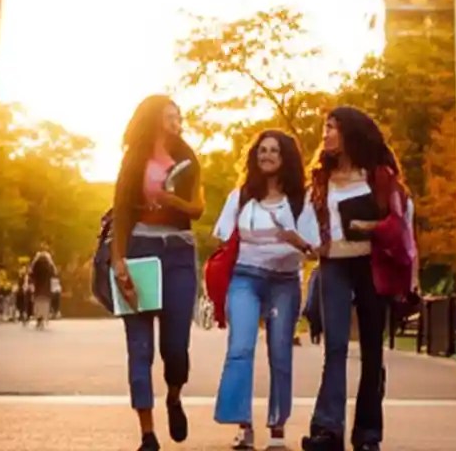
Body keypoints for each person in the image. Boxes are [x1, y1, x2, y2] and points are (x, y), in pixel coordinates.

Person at [297, 107, 417, 451]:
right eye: (325, 128)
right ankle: (327, 430)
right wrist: (305, 243)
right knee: (334, 347)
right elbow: (310, 231)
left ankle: (368, 434)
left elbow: (402, 223)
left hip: (371, 266)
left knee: (372, 351)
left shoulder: (378, 177)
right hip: (333, 265)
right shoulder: (320, 181)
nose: (325, 134)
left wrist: (372, 229)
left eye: (331, 128)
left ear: (349, 133)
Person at [110, 95, 205, 451]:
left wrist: (173, 202)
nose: (177, 121)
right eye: (170, 116)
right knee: (139, 348)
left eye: (179, 115)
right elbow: (121, 212)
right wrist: (119, 263)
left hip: (179, 253)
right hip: (139, 252)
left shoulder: (188, 158)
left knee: (175, 347)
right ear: (153, 119)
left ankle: (174, 396)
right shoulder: (133, 160)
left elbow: (197, 209)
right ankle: (147, 434)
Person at [212, 130, 315, 450]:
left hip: (284, 282)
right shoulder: (240, 197)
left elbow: (313, 248)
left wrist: (294, 240)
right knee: (240, 346)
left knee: (280, 353)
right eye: (262, 151)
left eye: (274, 151)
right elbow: (223, 238)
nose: (267, 156)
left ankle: (278, 427)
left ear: (286, 158)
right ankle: (243, 425)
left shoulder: (303, 200)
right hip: (245, 278)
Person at [29, 244, 57, 329]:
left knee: (38, 303)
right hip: (46, 287)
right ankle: (44, 318)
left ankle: (38, 319)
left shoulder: (36, 263)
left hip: (38, 286)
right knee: (45, 303)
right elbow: (54, 274)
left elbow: (31, 274)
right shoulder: (49, 264)